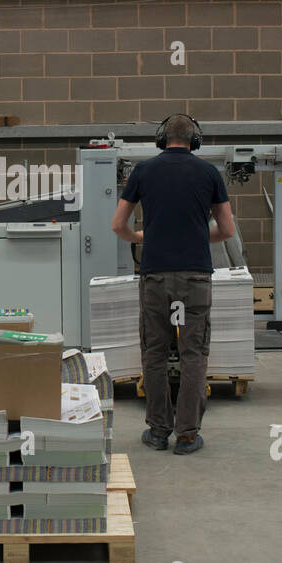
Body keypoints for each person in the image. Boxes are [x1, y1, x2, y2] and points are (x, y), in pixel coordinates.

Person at [110, 113, 235, 455]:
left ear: (162, 138)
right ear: (195, 140)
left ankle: (158, 430)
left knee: (154, 353)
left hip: (156, 276)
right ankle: (187, 435)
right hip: (195, 276)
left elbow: (118, 224)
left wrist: (141, 236)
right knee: (194, 354)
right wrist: (195, 236)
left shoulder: (143, 171)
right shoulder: (209, 173)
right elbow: (226, 231)